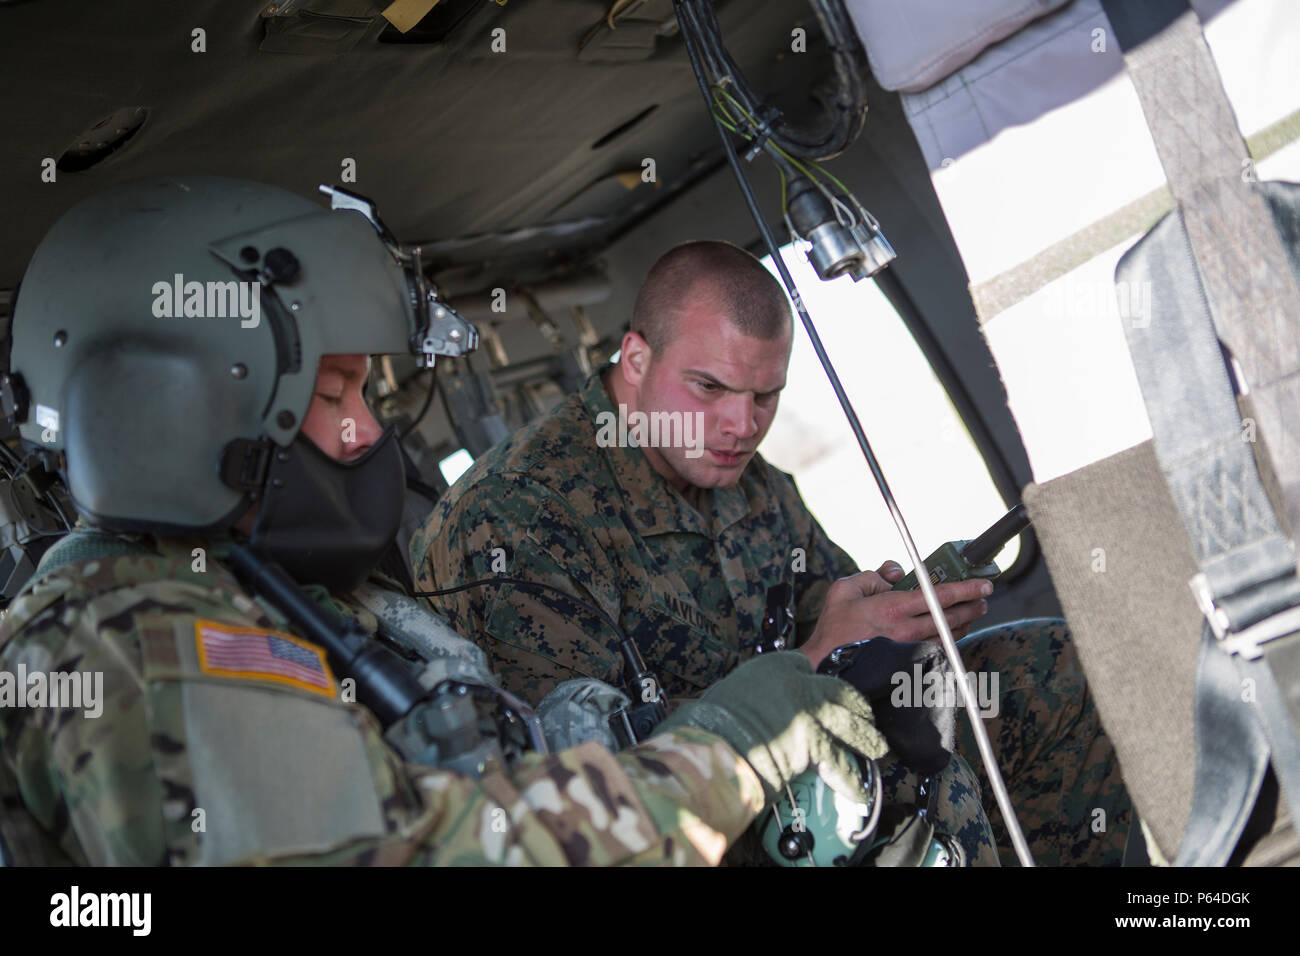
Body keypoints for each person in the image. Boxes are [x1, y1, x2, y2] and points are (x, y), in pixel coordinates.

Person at [0, 180, 889, 867]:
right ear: (179, 405)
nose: (366, 432)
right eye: (336, 394)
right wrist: (733, 751)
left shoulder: (275, 593)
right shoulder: (128, 638)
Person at [412, 240, 1133, 866]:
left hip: (809, 757)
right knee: (919, 776)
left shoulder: (747, 479)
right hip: (682, 821)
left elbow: (823, 601)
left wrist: (890, 618)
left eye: (766, 396)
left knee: (1055, 670)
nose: (740, 425)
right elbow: (583, 786)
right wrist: (815, 661)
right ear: (635, 359)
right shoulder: (515, 519)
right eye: (710, 388)